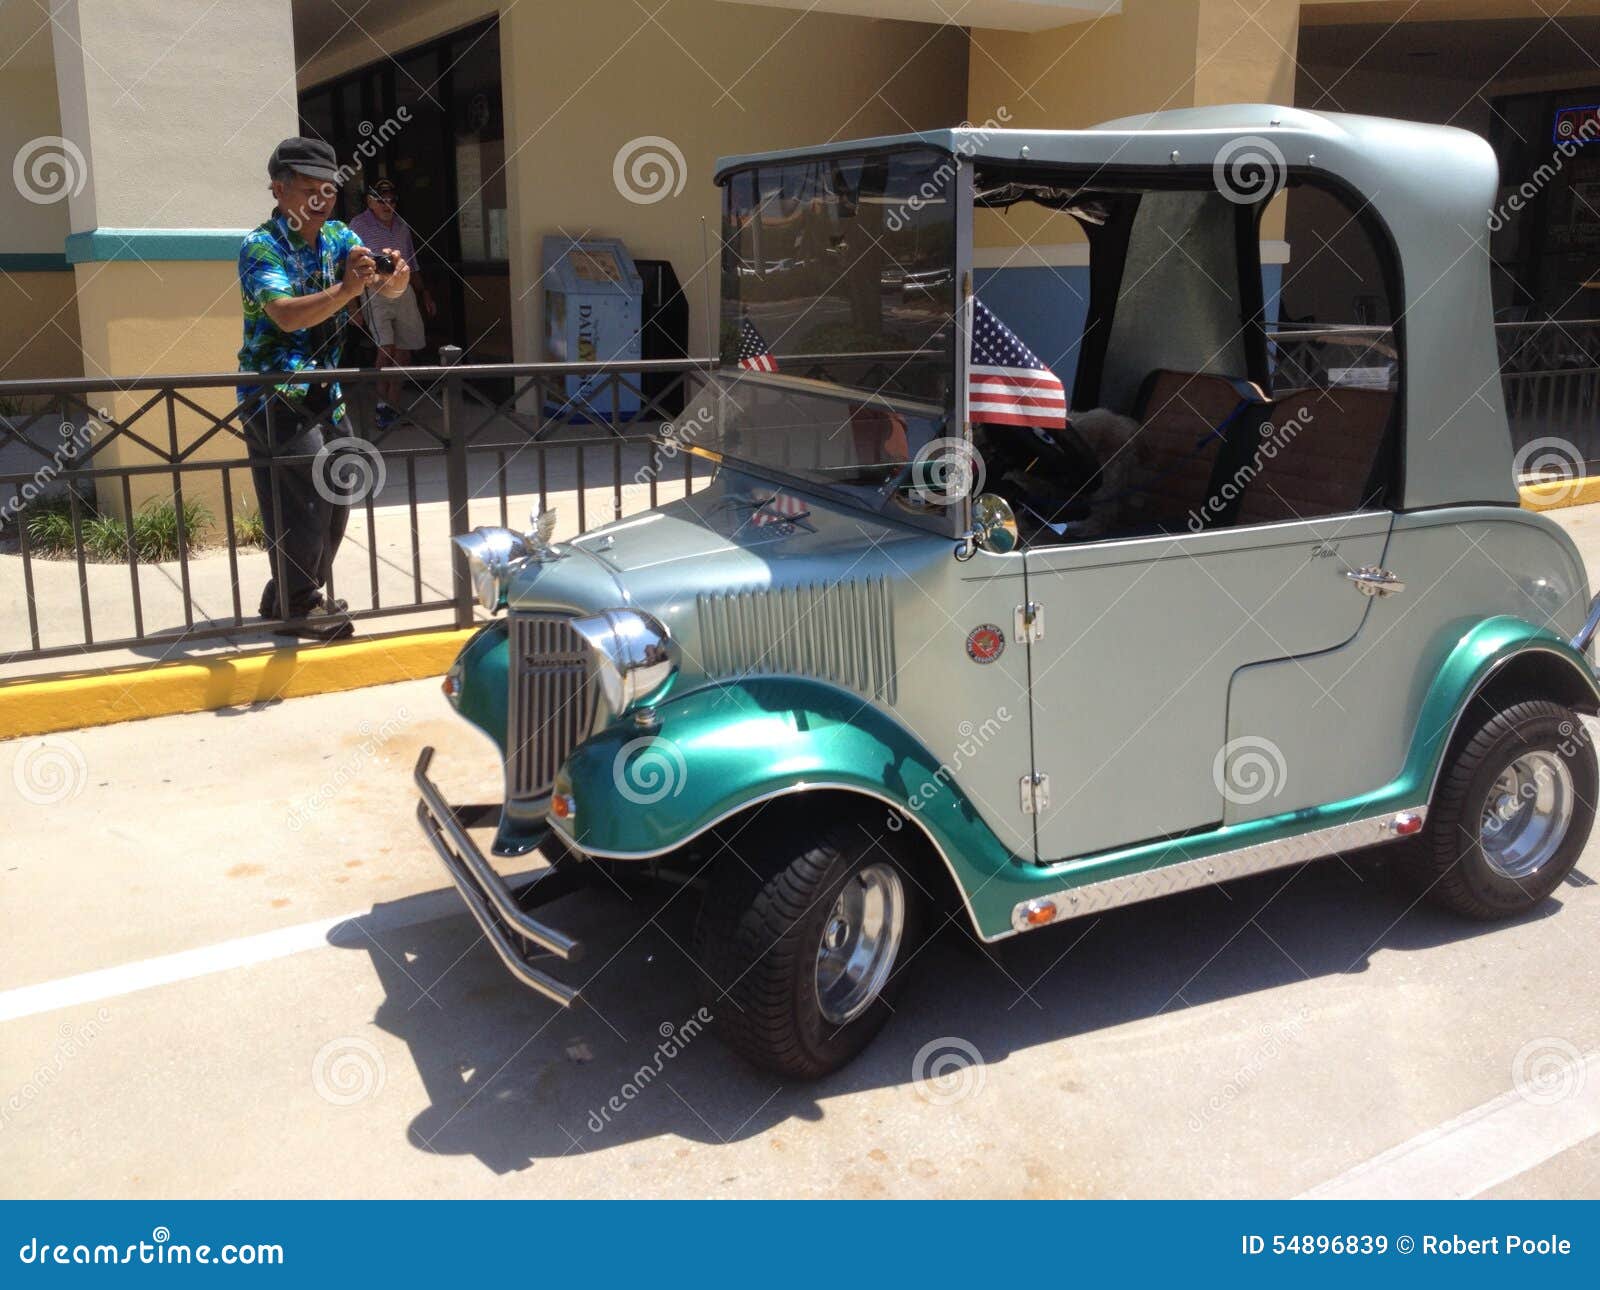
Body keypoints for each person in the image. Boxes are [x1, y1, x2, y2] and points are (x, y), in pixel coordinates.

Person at [237, 137, 412, 640]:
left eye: (329, 190)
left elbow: (387, 286)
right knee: (304, 501)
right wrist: (346, 290)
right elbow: (286, 316)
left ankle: (289, 593)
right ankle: (298, 604)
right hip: (275, 393)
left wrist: (392, 277)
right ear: (279, 190)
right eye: (309, 189)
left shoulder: (337, 236)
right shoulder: (261, 246)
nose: (321, 200)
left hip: (324, 392)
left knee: (337, 492)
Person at [348, 177, 434, 428]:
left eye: (392, 200)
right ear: (369, 202)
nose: (387, 205)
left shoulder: (402, 227)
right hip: (374, 290)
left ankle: (393, 406)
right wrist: (352, 306)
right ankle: (381, 406)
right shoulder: (357, 225)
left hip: (404, 289)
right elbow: (349, 265)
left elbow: (412, 263)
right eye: (381, 200)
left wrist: (424, 293)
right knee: (385, 350)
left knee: (404, 350)